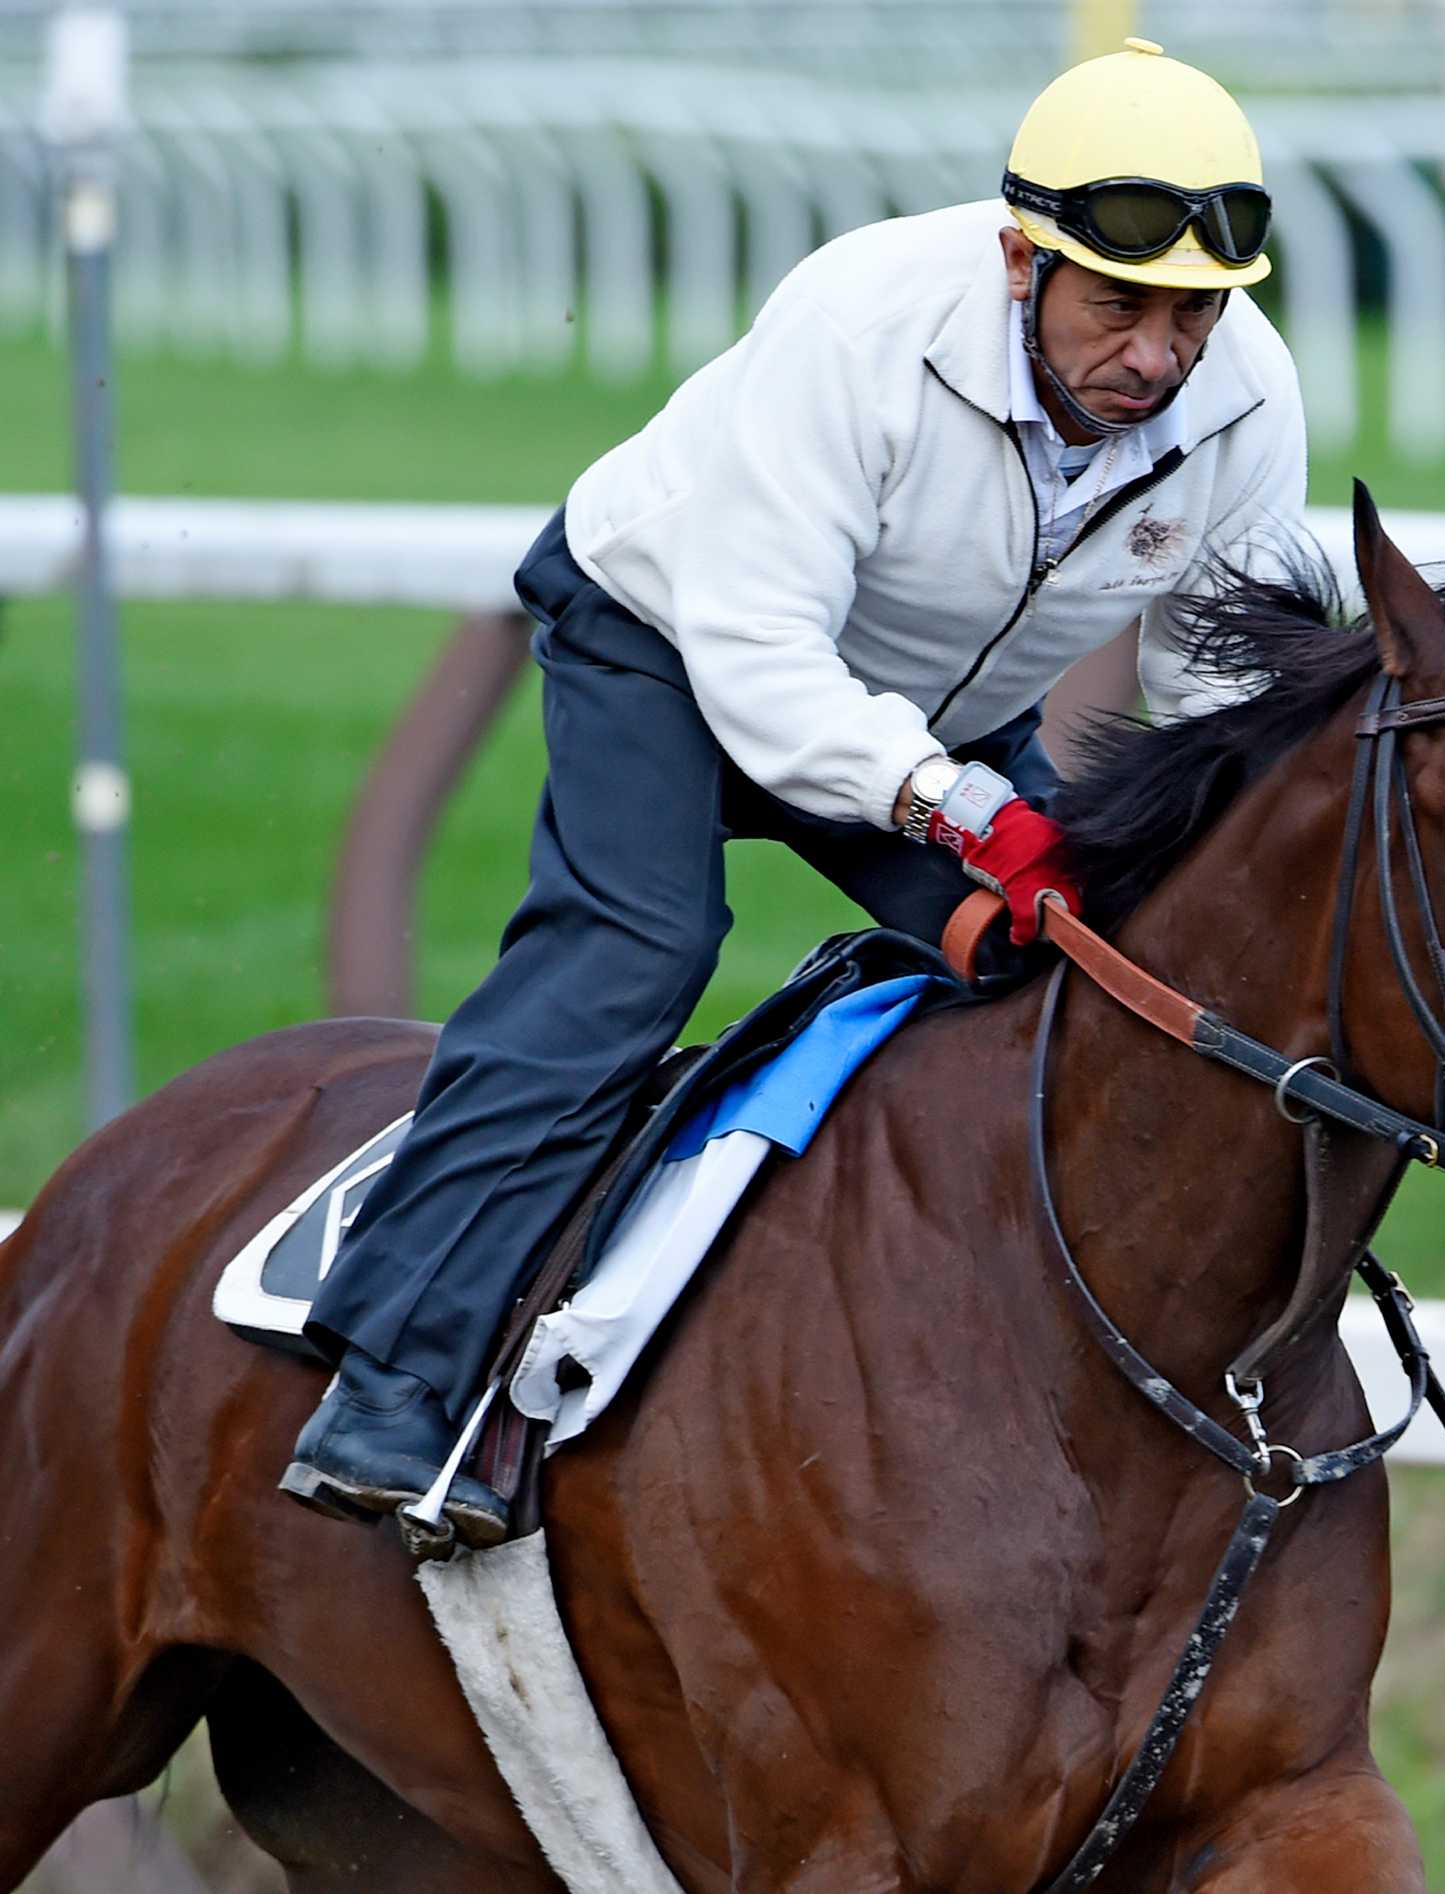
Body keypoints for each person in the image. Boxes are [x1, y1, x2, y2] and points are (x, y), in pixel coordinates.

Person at [282, 37, 1309, 1546]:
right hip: (671, 638)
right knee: (637, 947)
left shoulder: (1249, 400)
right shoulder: (862, 318)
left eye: (1195, 314)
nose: (1157, 356)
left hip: (925, 712)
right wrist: (964, 810)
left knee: (1099, 965)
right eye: (1118, 304)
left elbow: (1222, 684)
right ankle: (389, 1374)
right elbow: (758, 660)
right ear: (1022, 259)